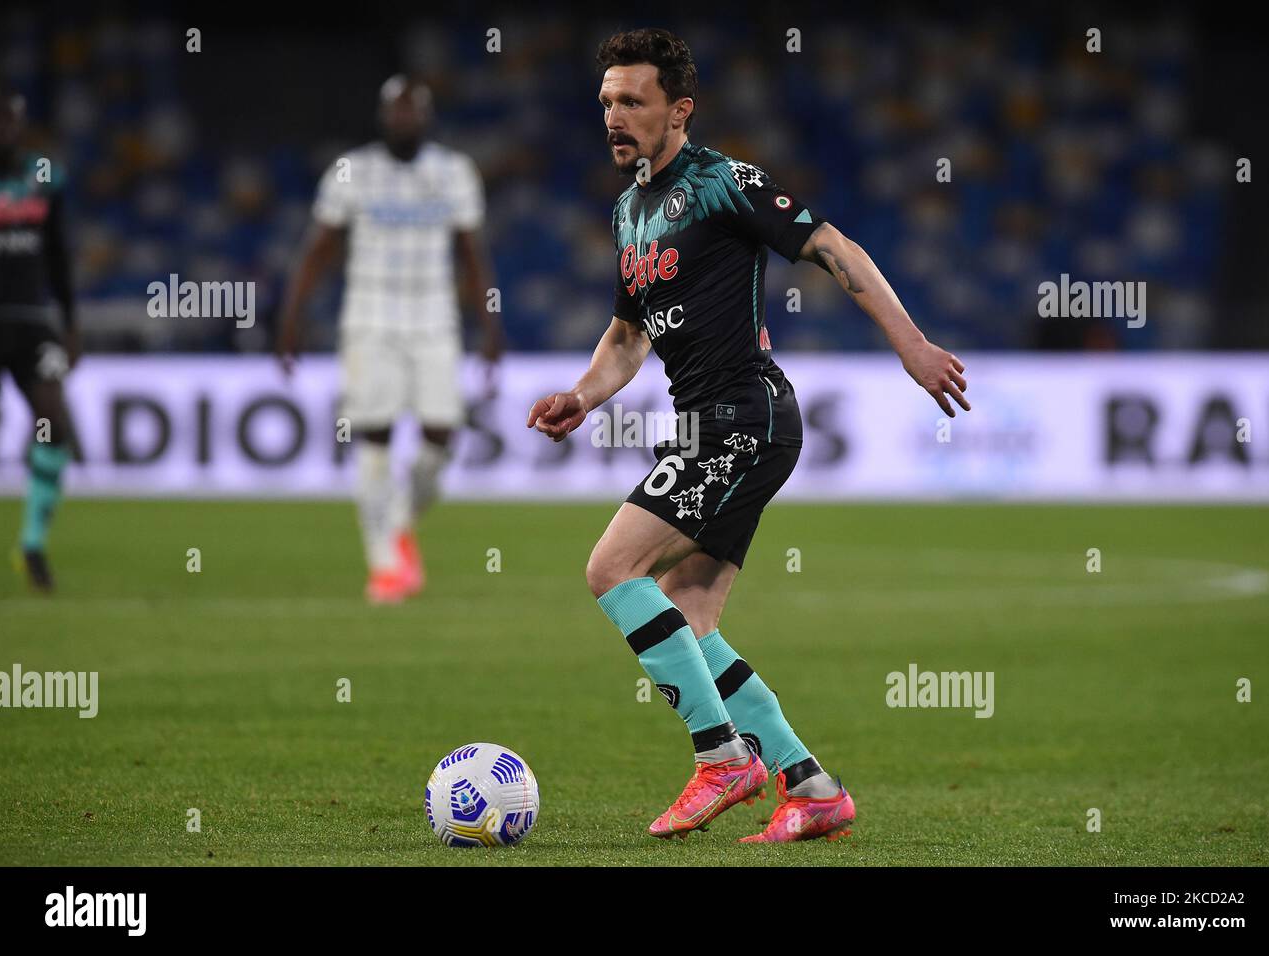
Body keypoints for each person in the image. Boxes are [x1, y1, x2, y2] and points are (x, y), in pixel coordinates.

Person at [527, 29, 970, 842]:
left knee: (612, 568)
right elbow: (628, 335)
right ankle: (811, 785)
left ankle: (724, 759)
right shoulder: (630, 209)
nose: (615, 116)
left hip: (744, 415)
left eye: (633, 101)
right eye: (606, 102)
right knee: (689, 613)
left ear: (678, 110)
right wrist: (583, 396)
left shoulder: (723, 182)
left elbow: (831, 246)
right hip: (710, 424)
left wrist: (910, 343)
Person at [278, 75, 502, 603]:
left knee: (441, 436)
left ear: (426, 117)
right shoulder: (352, 171)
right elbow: (318, 251)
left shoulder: (453, 172)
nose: (403, 120)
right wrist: (291, 320)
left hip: (433, 319)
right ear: (383, 117)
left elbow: (472, 254)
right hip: (370, 318)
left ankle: (396, 522)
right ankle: (384, 564)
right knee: (374, 434)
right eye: (395, 112)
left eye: (413, 112)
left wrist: (492, 325)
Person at [0, 86, 78, 593]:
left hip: (31, 323)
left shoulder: (44, 177)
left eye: (9, 120)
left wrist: (72, 325)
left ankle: (31, 544)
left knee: (53, 419)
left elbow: (59, 257)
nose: (3, 129)